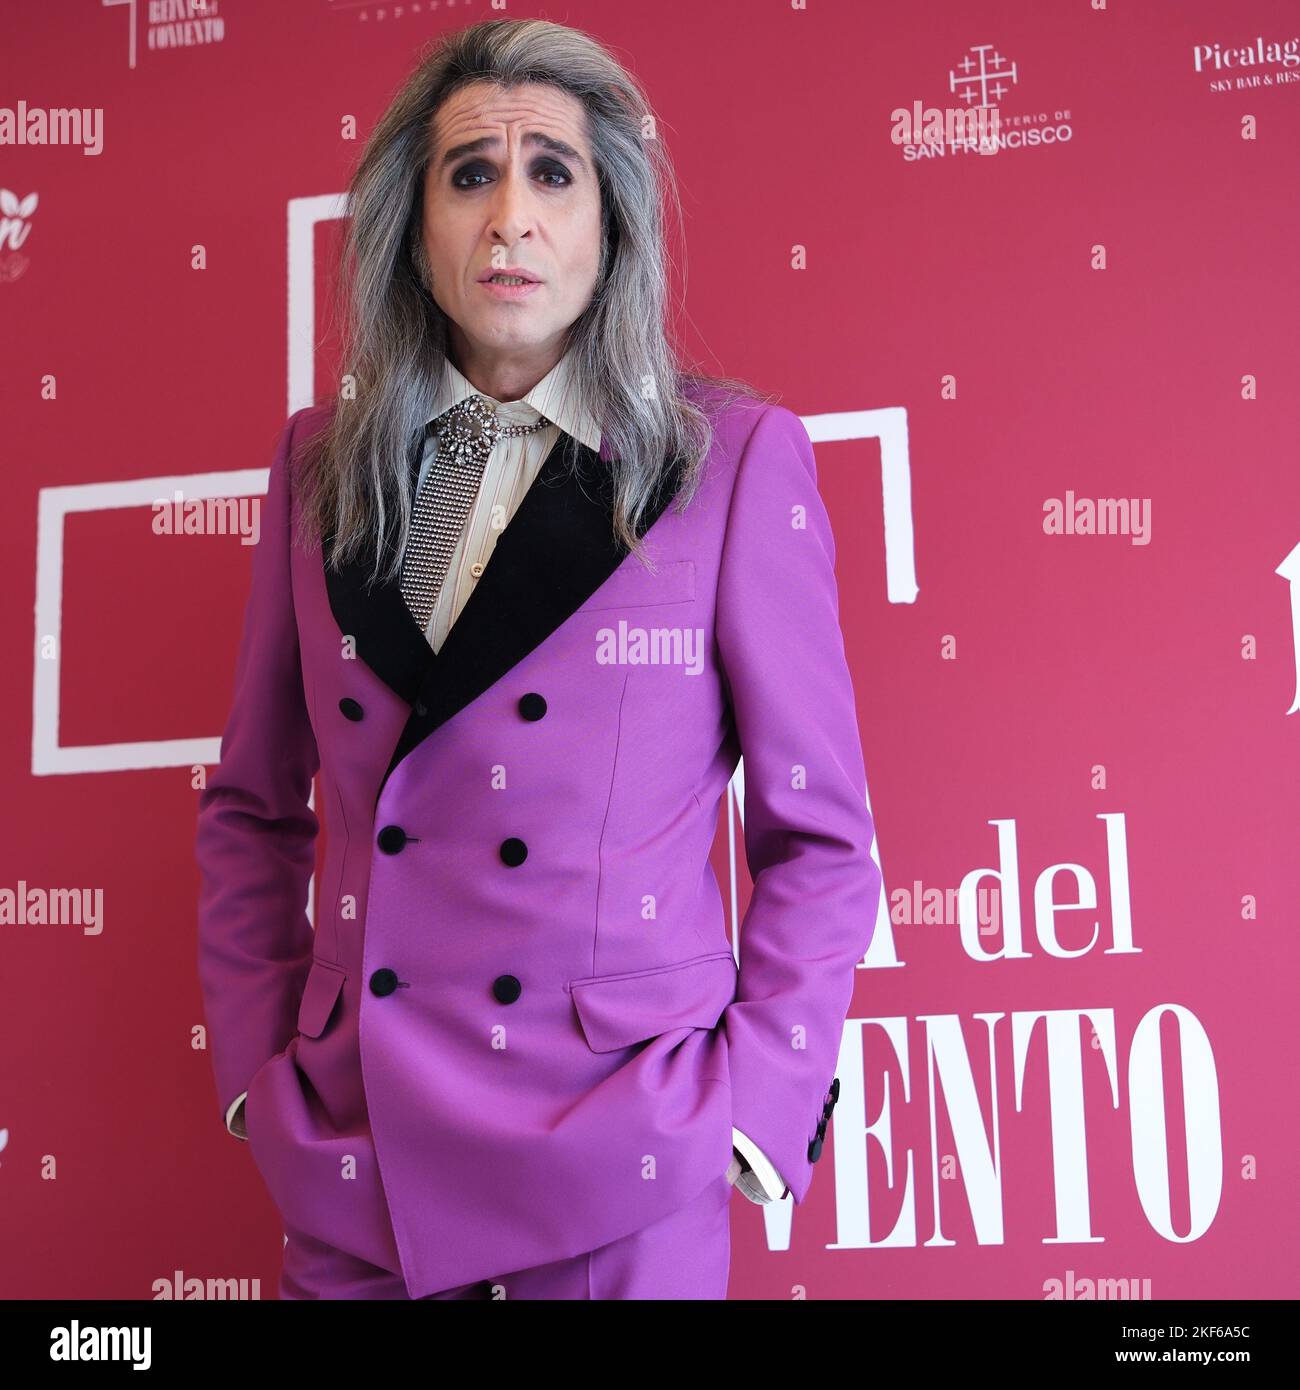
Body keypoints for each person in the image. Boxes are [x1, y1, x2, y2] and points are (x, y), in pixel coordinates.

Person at [195, 16, 881, 1301]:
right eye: (470, 174)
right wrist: (255, 1080)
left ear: (611, 223)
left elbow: (820, 839)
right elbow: (249, 808)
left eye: (551, 172)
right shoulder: (315, 470)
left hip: (617, 1163)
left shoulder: (729, 465)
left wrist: (749, 1109)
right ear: (414, 228)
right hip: (357, 1165)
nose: (510, 216)